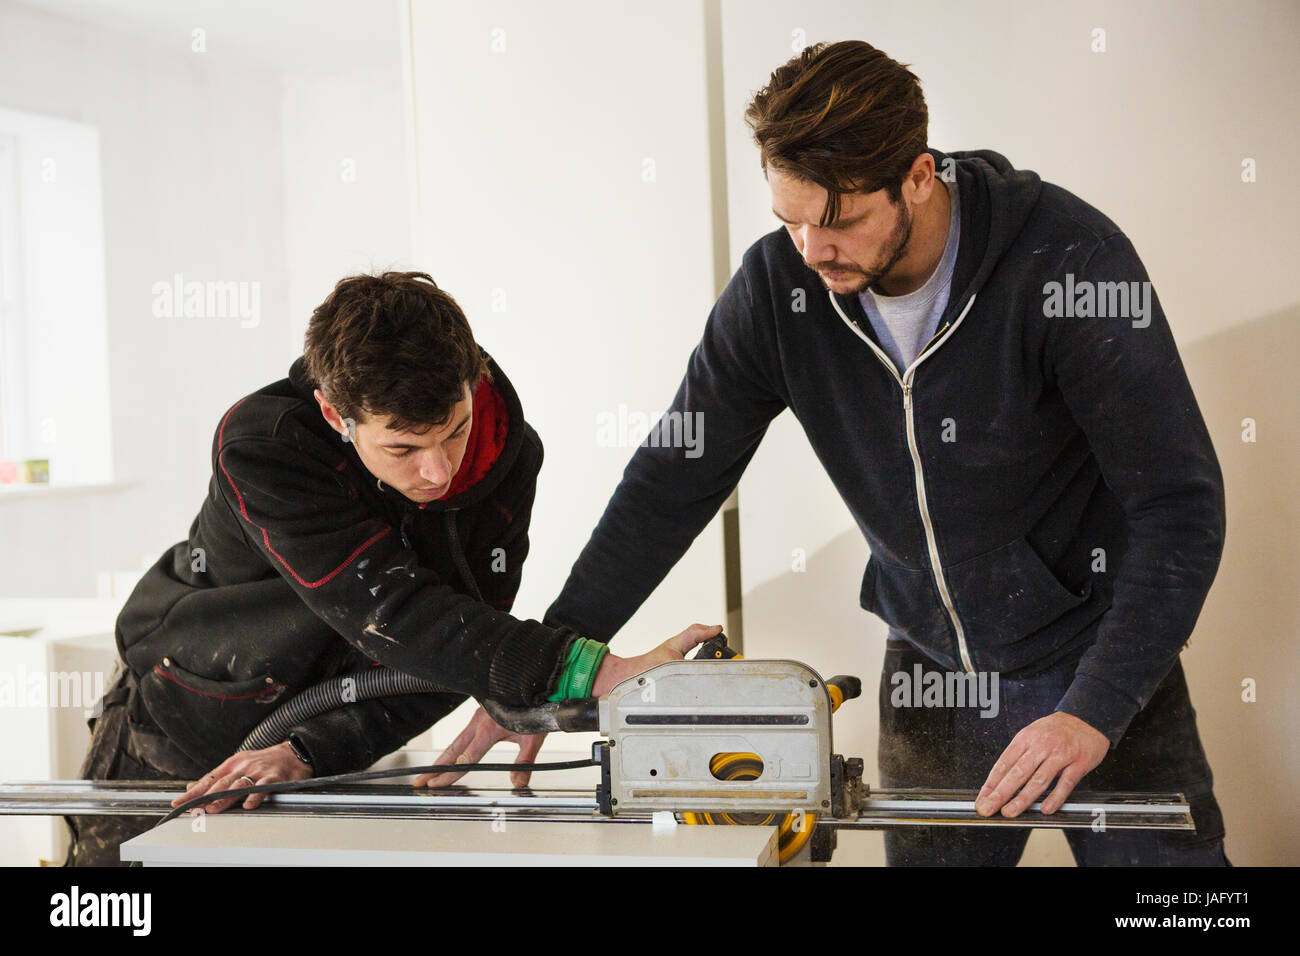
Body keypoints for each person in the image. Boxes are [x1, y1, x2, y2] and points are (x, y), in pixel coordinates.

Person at [438, 40, 1230, 866]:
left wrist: (1097, 709)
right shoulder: (780, 290)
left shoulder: (1068, 260)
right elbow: (670, 481)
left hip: (1094, 655)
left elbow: (1178, 505)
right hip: (933, 674)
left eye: (840, 220)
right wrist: (547, 669)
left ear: (919, 177)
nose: (813, 250)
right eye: (791, 219)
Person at [64, 270, 716, 866]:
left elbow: (452, 641)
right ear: (333, 415)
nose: (440, 470)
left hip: (319, 762)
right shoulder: (266, 448)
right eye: (402, 447)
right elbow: (399, 617)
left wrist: (311, 752)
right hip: (183, 720)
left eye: (453, 431)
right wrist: (588, 670)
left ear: (476, 377)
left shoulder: (505, 455)